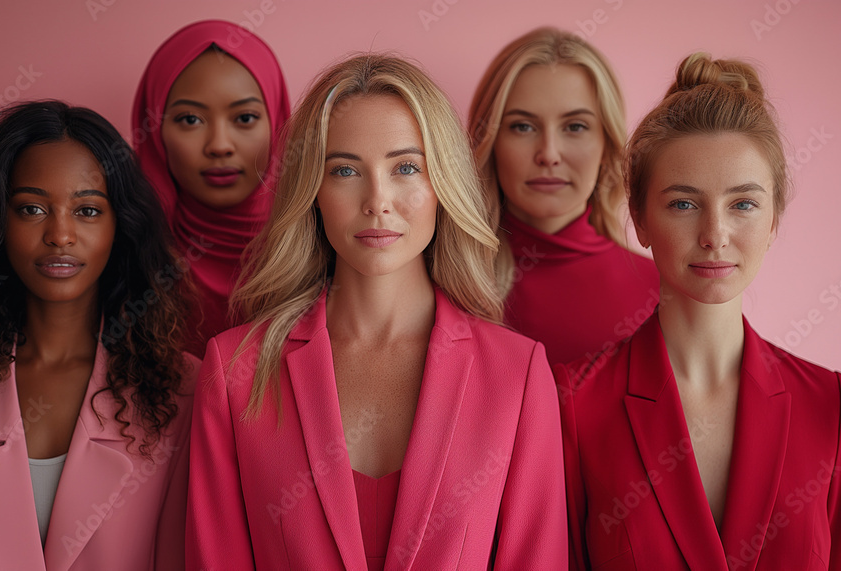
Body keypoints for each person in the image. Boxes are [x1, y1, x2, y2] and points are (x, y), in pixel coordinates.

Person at [187, 54, 567, 569]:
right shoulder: (235, 371)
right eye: (344, 170)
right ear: (312, 191)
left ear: (443, 185)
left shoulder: (518, 375)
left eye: (406, 167)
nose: (377, 200)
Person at [556, 53, 841, 569]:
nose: (714, 235)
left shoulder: (831, 408)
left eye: (743, 204)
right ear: (638, 217)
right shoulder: (574, 403)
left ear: (773, 220)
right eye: (683, 203)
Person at [0, 101, 198, 570]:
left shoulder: (181, 392)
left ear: (121, 226)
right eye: (32, 208)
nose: (60, 234)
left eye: (88, 210)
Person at [468, 27, 659, 365]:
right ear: (491, 143)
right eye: (522, 127)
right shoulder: (445, 281)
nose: (549, 154)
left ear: (606, 145)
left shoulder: (663, 293)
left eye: (575, 127)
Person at [132, 20, 291, 356]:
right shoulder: (120, 258)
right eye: (190, 119)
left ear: (277, 122)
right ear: (155, 131)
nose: (219, 145)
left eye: (245, 118)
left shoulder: (327, 252)